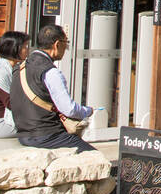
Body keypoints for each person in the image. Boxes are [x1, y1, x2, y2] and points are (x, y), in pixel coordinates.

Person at [8, 23, 98, 154]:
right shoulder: (50, 72)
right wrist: (88, 111)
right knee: (96, 158)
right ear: (57, 44)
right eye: (65, 44)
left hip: (24, 135)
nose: (66, 49)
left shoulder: (20, 67)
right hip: (48, 136)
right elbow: (69, 109)